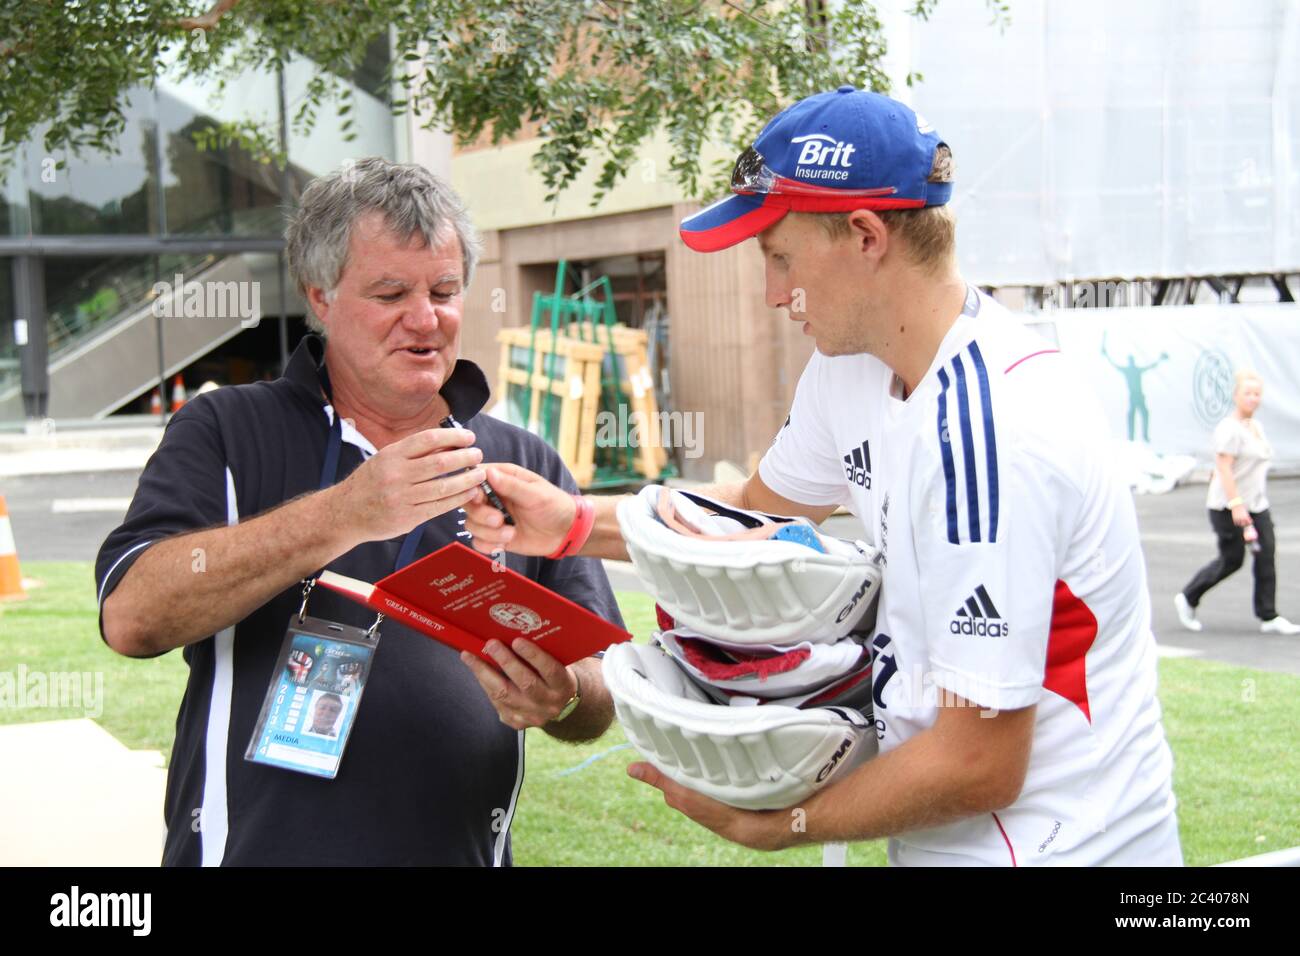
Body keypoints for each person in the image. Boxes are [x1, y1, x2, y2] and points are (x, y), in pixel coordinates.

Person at [465, 87, 1182, 865]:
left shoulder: (994, 432)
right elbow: (748, 512)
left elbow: (980, 763)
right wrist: (570, 522)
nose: (774, 293)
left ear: (866, 235)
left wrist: (787, 824)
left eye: (780, 258)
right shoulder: (850, 370)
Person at [96, 157, 622, 866]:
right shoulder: (225, 430)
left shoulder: (519, 466)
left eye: (443, 289)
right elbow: (132, 618)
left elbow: (598, 686)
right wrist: (347, 511)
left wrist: (560, 698)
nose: (425, 318)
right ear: (321, 296)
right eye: (390, 292)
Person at [1176, 370, 1299, 635]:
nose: (1253, 399)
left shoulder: (1255, 427)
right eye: (1248, 393)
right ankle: (1188, 597)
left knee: (1266, 554)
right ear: (1235, 396)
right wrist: (1236, 504)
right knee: (1232, 559)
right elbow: (1223, 468)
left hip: (1257, 505)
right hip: (1227, 507)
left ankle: (1268, 615)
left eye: (1257, 394)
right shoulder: (1229, 429)